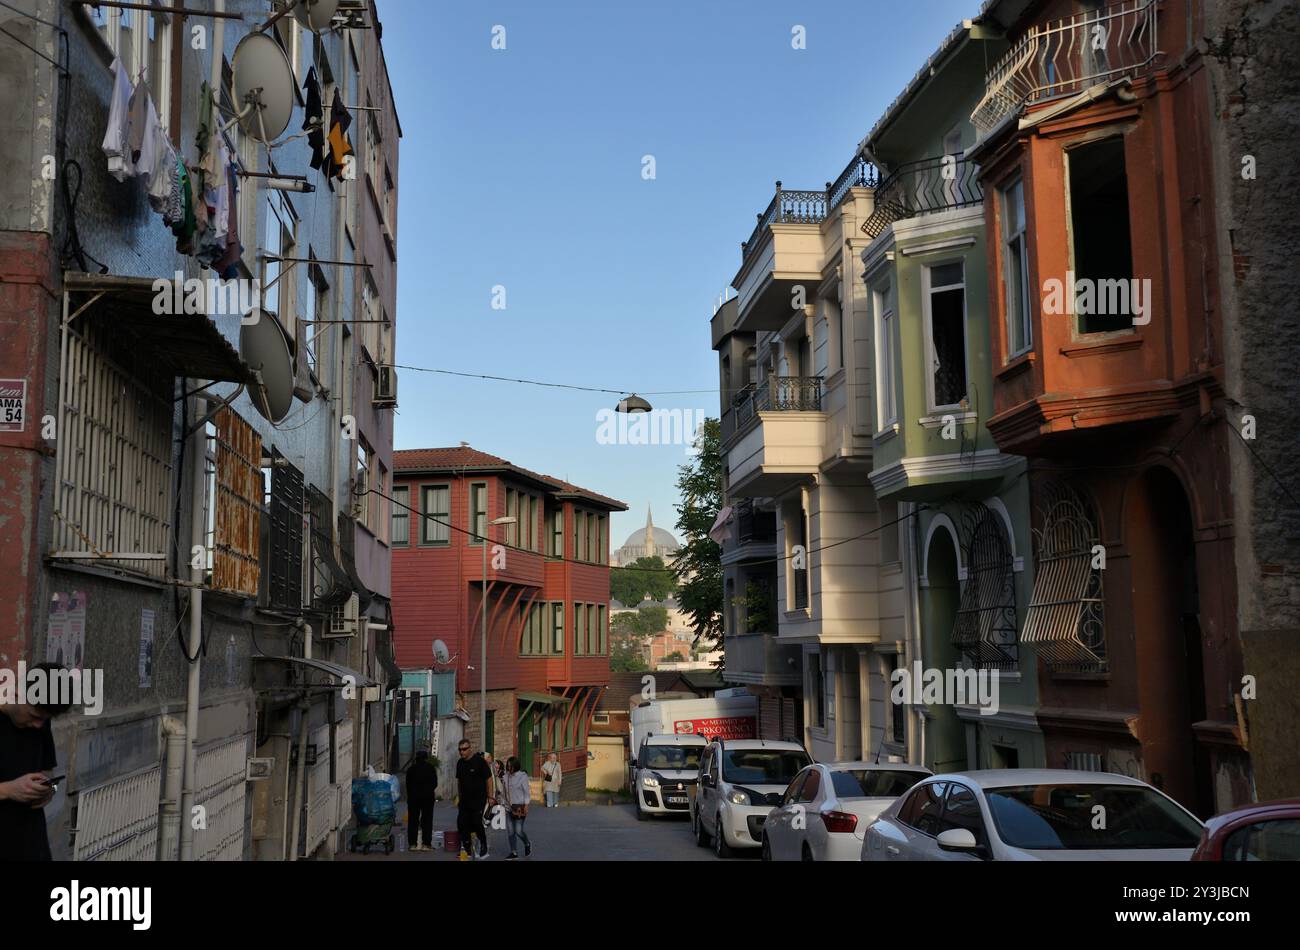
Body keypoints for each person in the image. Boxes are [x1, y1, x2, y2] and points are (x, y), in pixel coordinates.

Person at [0, 662, 72, 861]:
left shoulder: (41, 720)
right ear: (16, 693)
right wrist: (8, 790)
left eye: (45, 719)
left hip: (31, 845)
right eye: (34, 716)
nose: (38, 724)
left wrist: (49, 790)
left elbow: (46, 771)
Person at [454, 740, 493, 859]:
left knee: (476, 822)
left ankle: (483, 843)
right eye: (460, 750)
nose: (462, 752)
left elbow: (489, 779)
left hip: (479, 799)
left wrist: (490, 797)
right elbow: (459, 781)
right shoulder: (460, 763)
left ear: (470, 748)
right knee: (461, 823)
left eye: (464, 749)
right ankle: (467, 848)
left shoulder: (479, 762)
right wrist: (459, 797)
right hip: (465, 800)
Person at [404, 749, 438, 852]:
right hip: (427, 798)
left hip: (413, 799)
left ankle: (413, 844)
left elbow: (407, 785)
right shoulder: (430, 768)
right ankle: (426, 844)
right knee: (427, 820)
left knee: (413, 820)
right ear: (426, 758)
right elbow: (435, 783)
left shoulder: (410, 769)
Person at [504, 756, 532, 859]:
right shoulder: (505, 777)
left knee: (518, 831)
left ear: (515, 766)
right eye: (507, 766)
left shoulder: (522, 776)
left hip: (520, 807)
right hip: (509, 808)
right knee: (511, 832)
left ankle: (527, 843)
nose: (508, 768)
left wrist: (526, 805)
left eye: (510, 766)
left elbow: (527, 792)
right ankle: (513, 852)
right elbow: (504, 791)